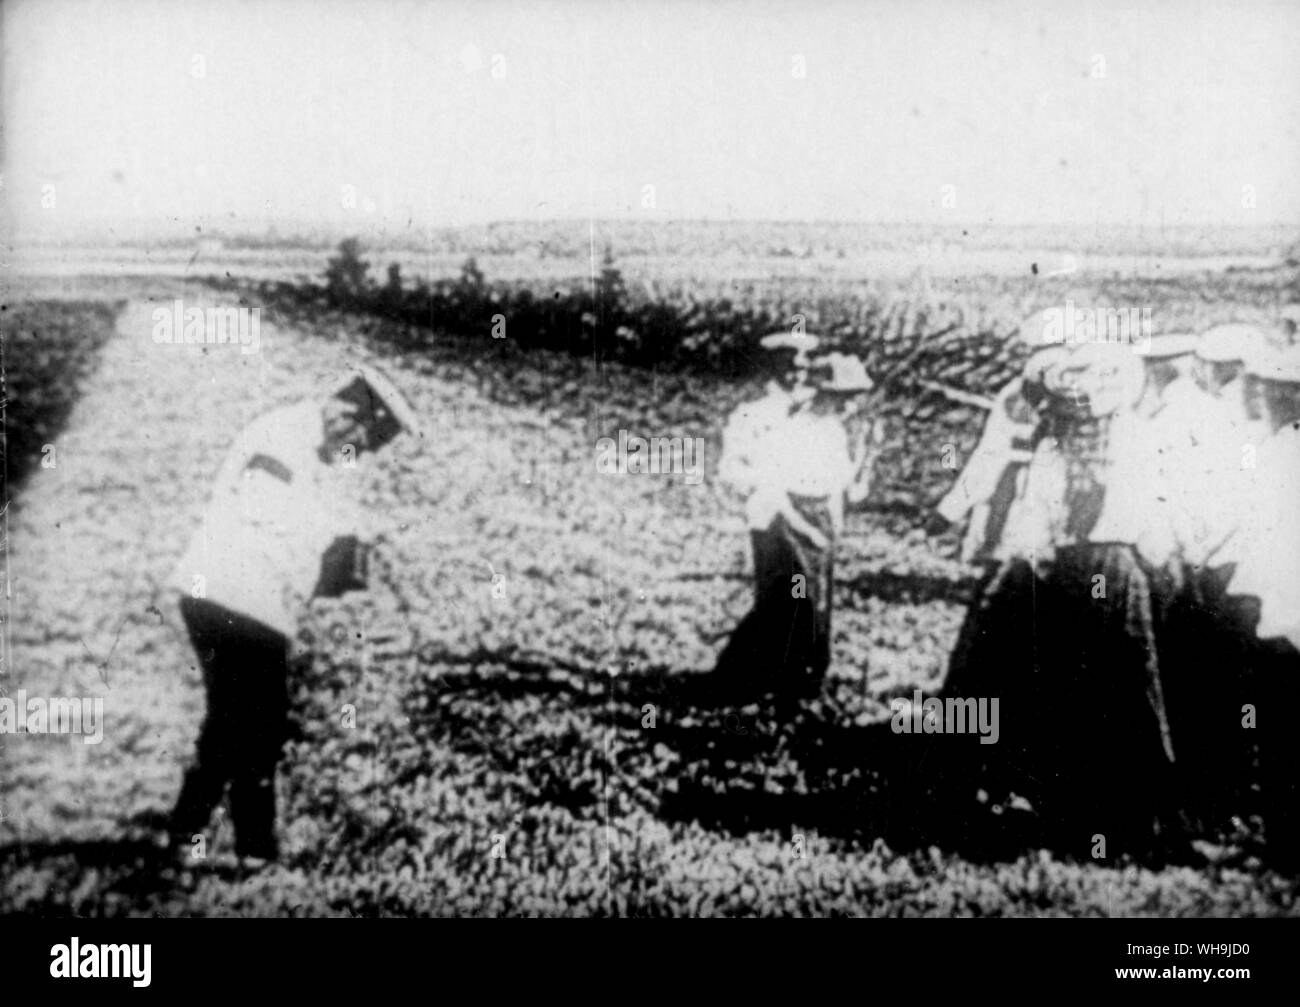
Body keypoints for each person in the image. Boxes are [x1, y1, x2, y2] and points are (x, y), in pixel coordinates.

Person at [167, 365, 421, 865]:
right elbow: (269, 525)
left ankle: (203, 837)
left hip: (252, 599)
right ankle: (242, 847)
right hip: (229, 594)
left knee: (240, 718)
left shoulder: (313, 448)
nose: (358, 455)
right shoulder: (282, 439)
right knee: (251, 719)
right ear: (345, 413)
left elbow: (315, 527)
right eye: (362, 443)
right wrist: (332, 560)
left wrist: (349, 546)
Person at [714, 339, 874, 700]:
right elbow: (760, 477)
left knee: (809, 602)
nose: (796, 371)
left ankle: (794, 677)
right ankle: (749, 676)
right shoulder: (770, 419)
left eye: (802, 364)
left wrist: (863, 460)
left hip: (814, 518)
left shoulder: (831, 427)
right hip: (779, 518)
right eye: (788, 364)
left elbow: (839, 483)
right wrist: (802, 526)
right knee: (788, 601)